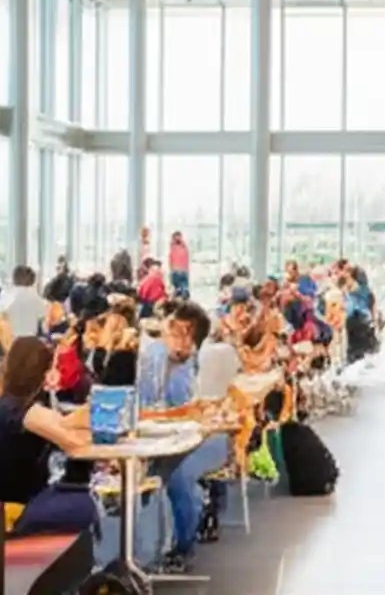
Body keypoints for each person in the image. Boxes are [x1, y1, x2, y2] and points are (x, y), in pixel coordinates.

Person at [0, 337, 93, 536]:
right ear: (42, 372)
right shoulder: (25, 413)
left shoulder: (9, 407)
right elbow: (76, 444)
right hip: (14, 507)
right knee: (84, 503)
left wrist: (82, 417)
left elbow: (62, 423)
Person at [137, 302, 218, 574]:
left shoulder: (190, 363)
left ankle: (183, 546)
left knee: (180, 481)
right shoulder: (152, 356)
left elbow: (189, 409)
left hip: (190, 440)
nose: (179, 340)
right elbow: (147, 406)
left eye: (187, 335)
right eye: (174, 330)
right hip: (152, 437)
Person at [0, 265, 45, 338]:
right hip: (31, 340)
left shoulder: (8, 294)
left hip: (10, 340)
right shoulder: (36, 297)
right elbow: (42, 316)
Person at [169, 233, 191, 299]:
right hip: (184, 271)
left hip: (176, 271)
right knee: (184, 288)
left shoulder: (173, 248)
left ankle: (178, 297)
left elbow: (171, 260)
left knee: (177, 289)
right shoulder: (185, 248)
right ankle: (184, 297)